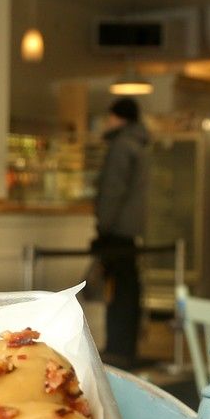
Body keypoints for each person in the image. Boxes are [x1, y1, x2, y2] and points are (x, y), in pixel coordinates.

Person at [92, 96, 150, 369]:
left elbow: (113, 192)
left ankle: (117, 348)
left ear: (118, 117)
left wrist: (103, 226)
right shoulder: (141, 144)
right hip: (132, 228)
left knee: (119, 290)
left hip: (117, 229)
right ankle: (127, 346)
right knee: (130, 287)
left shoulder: (121, 146)